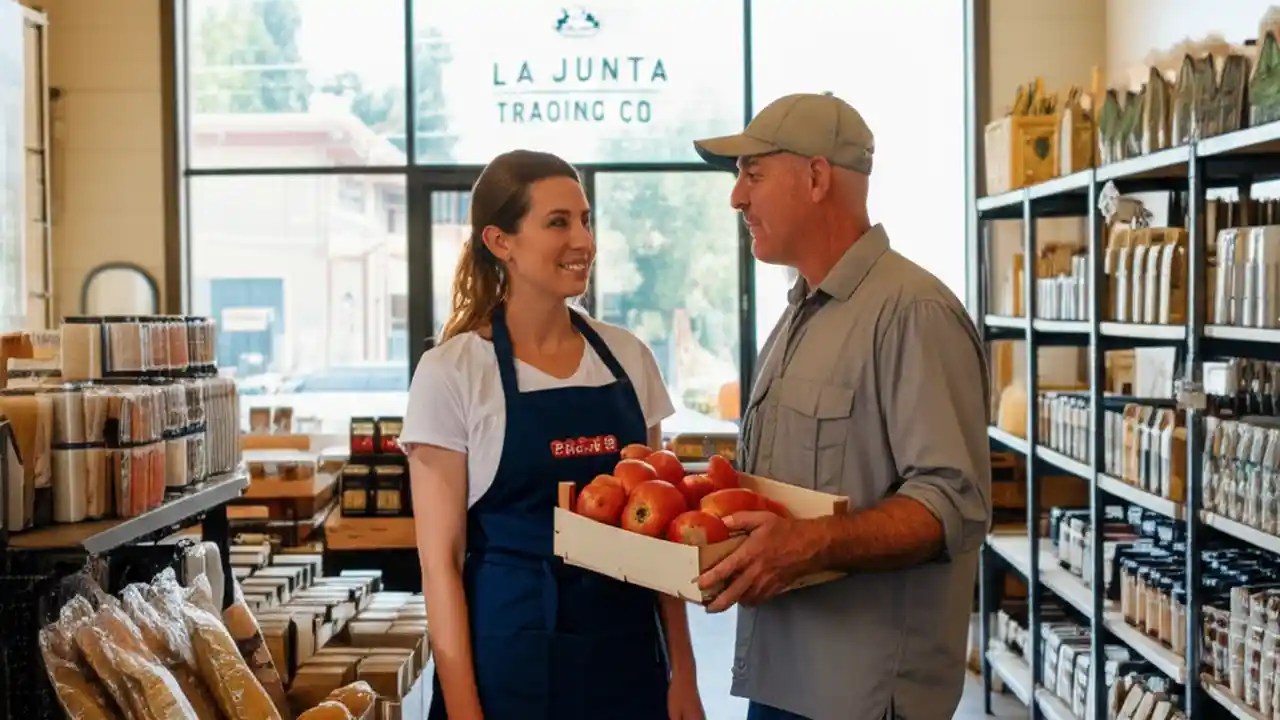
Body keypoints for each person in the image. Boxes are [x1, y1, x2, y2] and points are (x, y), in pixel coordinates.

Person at [691, 93, 993, 720]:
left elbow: (953, 504)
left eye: (753, 173)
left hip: (860, 698)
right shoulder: (799, 315)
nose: (736, 198)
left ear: (817, 177)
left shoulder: (913, 313)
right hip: (780, 680)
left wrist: (811, 545)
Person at [399, 149, 705, 720]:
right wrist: (465, 709)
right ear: (500, 242)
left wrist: (683, 674)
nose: (583, 240)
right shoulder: (453, 373)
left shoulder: (628, 358)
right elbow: (440, 561)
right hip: (507, 669)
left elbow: (661, 539)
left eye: (586, 219)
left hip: (627, 663)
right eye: (558, 222)